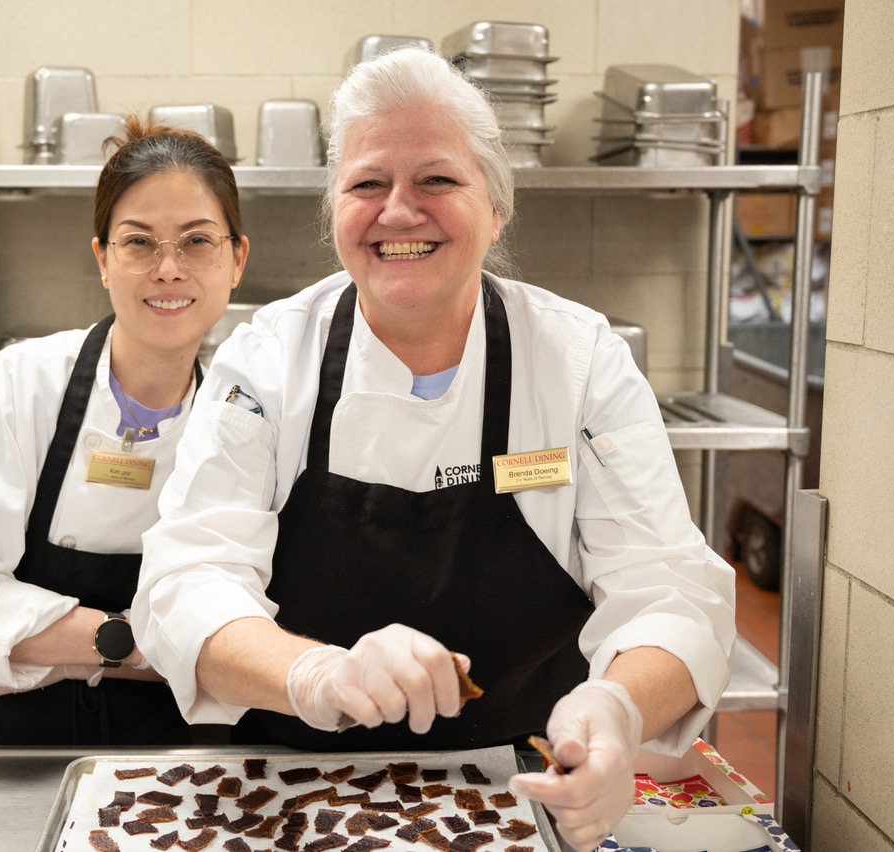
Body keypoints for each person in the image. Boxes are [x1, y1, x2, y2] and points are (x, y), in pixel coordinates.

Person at [132, 47, 735, 851]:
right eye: (367, 184)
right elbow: (186, 581)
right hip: (290, 792)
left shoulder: (579, 361)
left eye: (437, 181)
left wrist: (618, 711)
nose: (398, 211)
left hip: (523, 790)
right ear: (334, 212)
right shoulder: (268, 360)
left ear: (497, 208)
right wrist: (317, 675)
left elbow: (669, 590)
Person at [0, 118, 249, 746]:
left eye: (197, 241)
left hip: (158, 754)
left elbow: (244, 629)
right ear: (102, 259)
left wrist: (57, 651)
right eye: (138, 243)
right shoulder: (18, 386)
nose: (168, 269)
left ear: (235, 260)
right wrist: (133, 643)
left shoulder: (242, 419)